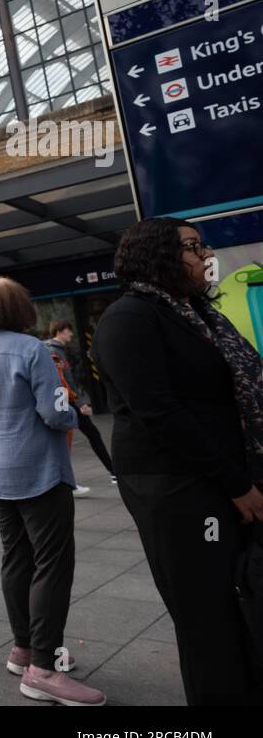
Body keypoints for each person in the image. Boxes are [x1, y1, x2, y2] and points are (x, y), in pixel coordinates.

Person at [92, 217, 263, 705]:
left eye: (202, 246)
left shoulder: (197, 313)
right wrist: (236, 485)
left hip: (219, 478)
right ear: (157, 255)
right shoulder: (130, 318)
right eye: (192, 247)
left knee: (238, 604)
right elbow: (159, 412)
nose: (205, 255)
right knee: (206, 618)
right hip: (177, 489)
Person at [0, 278, 104, 706]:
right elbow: (55, 413)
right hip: (37, 468)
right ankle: (43, 667)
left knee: (16, 555)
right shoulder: (32, 350)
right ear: (22, 309)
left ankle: (24, 648)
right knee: (52, 562)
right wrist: (73, 413)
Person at [44, 319, 113, 494]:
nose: (71, 334)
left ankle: (109, 472)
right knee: (70, 440)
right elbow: (61, 381)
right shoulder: (54, 351)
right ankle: (69, 483)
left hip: (68, 401)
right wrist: (78, 402)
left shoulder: (59, 350)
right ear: (59, 331)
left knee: (83, 436)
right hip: (67, 402)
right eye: (68, 331)